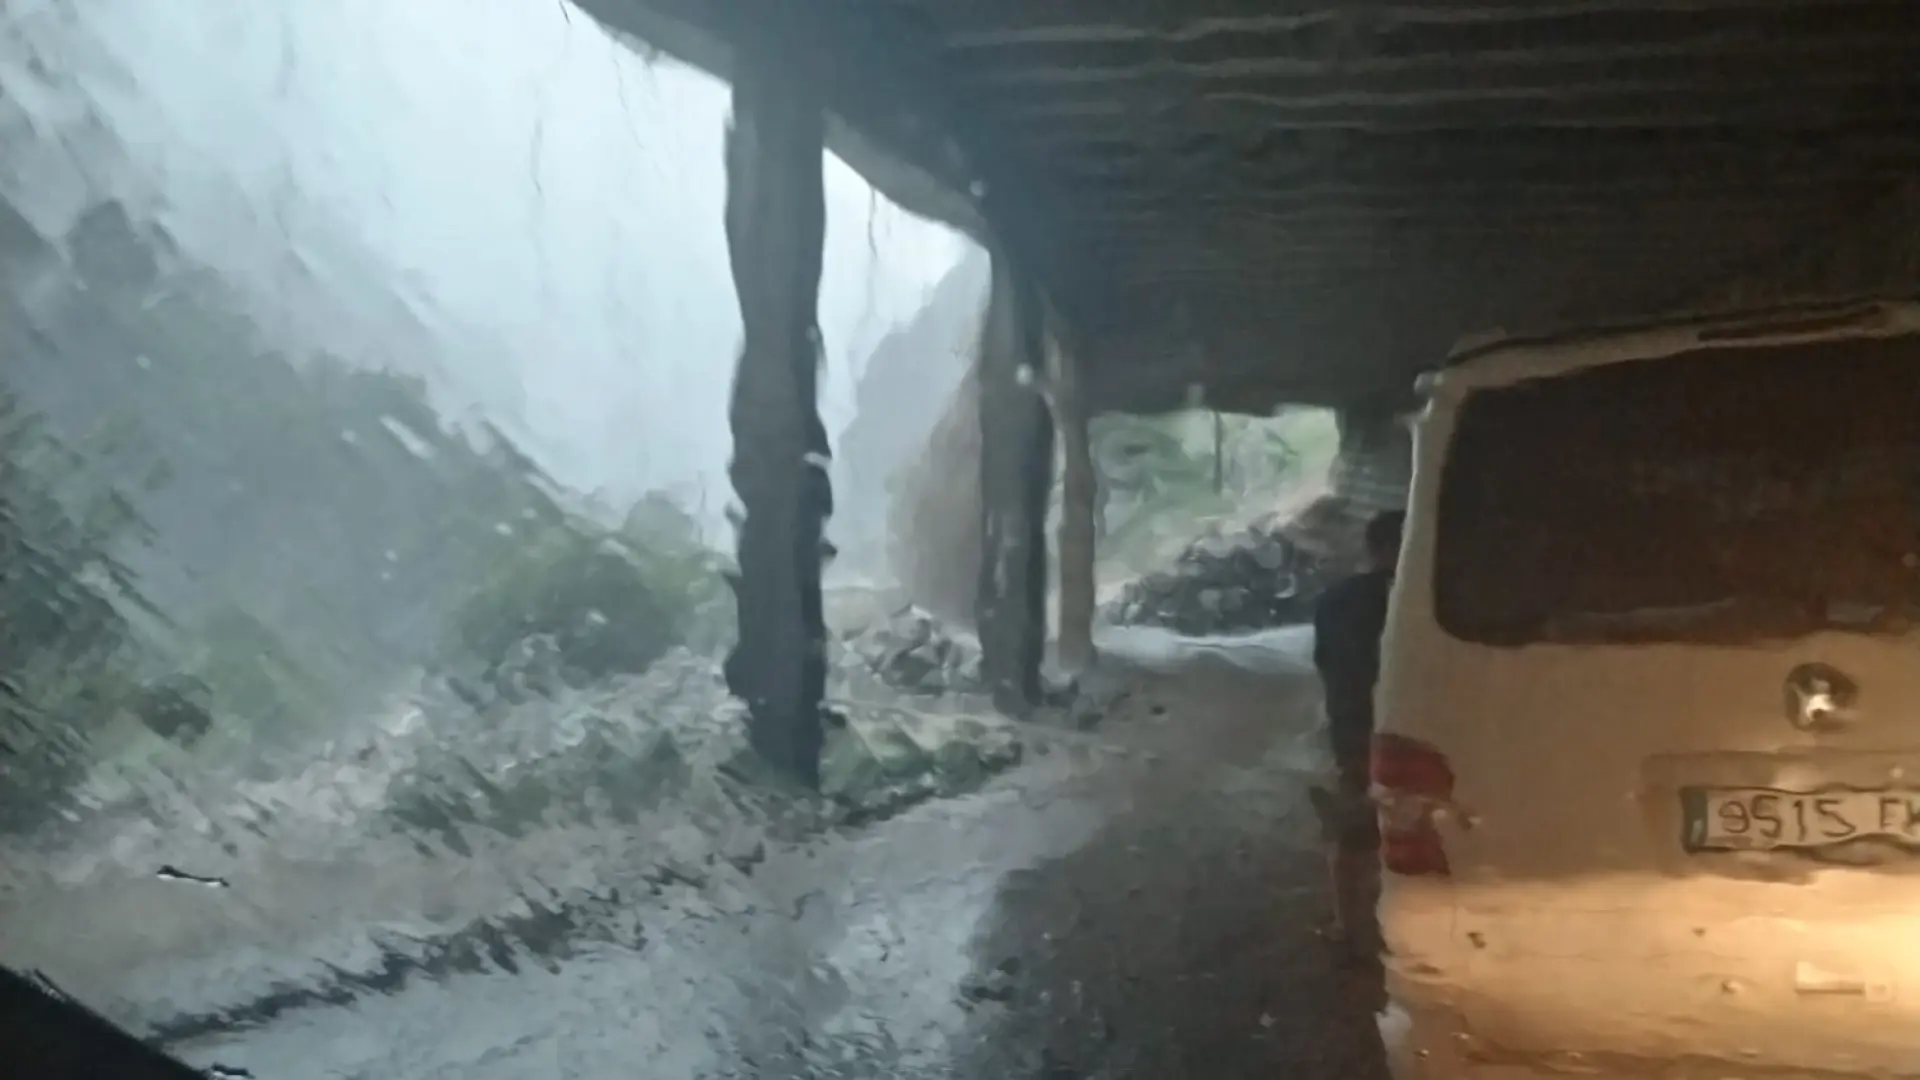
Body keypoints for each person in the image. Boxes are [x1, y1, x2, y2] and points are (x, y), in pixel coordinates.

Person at [1309, 508, 1405, 957]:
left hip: (1355, 726)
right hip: (1421, 721)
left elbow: (1327, 664)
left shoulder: (1336, 601)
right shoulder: (1436, 603)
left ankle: (1347, 927)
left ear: (1372, 550)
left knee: (1351, 828)